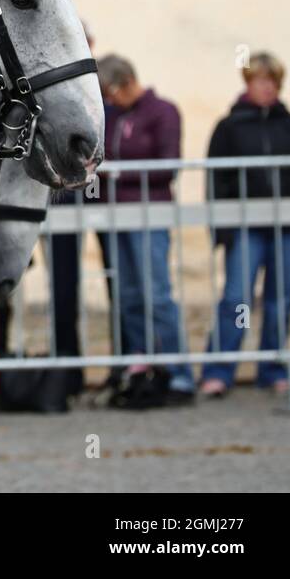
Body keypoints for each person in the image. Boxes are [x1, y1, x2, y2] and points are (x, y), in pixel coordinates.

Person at [97, 54, 194, 406]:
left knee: (157, 294)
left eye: (110, 93)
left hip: (150, 215)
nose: (108, 102)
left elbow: (166, 168)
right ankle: (143, 363)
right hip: (117, 217)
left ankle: (179, 372)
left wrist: (117, 171)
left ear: (124, 83)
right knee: (129, 296)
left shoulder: (163, 111)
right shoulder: (114, 116)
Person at [201, 52, 290, 397]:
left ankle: (272, 367)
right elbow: (217, 180)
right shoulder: (229, 127)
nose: (266, 88)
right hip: (244, 228)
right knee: (237, 298)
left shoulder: (289, 125)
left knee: (280, 300)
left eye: (272, 82)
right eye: (259, 81)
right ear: (248, 83)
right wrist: (221, 230)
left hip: (286, 228)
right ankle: (220, 369)